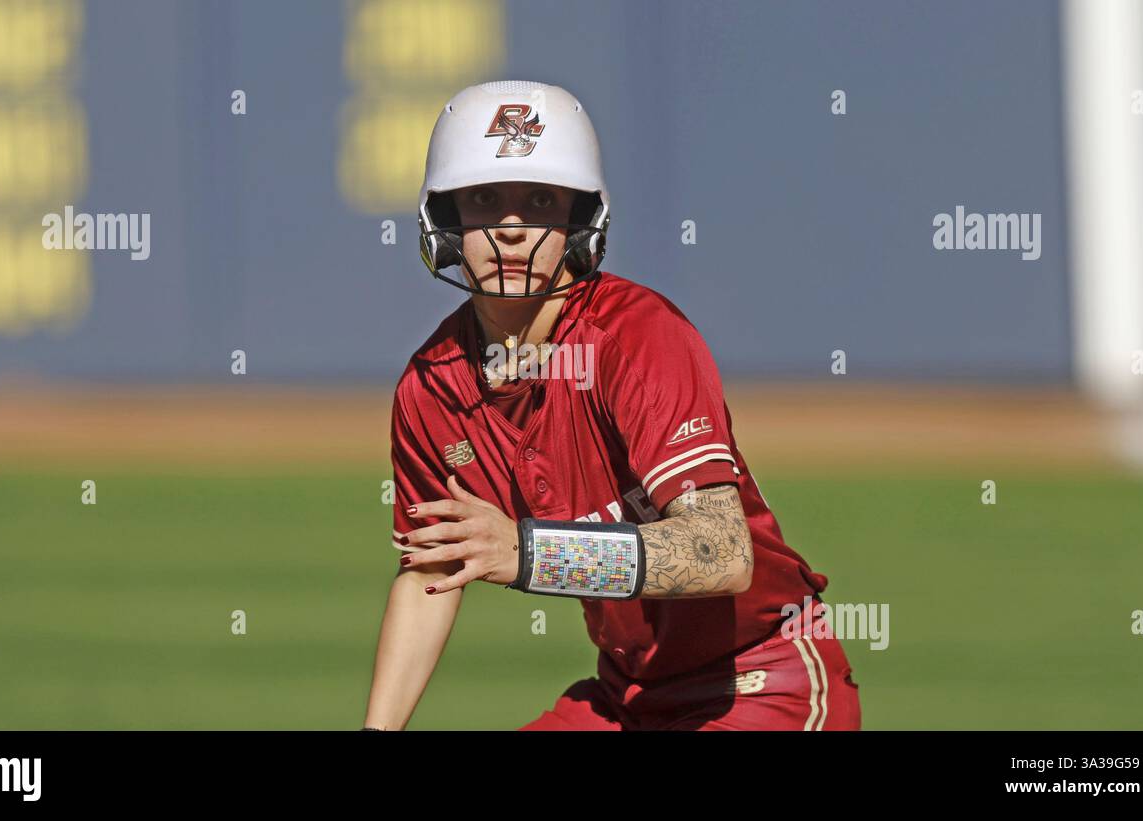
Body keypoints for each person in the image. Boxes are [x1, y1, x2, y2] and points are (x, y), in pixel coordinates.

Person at [363, 80, 860, 730]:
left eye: (539, 200)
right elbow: (430, 571)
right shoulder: (431, 387)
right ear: (447, 215)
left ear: (578, 217)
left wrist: (530, 551)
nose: (512, 229)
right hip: (628, 694)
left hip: (762, 681)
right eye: (485, 198)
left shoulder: (637, 337)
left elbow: (721, 551)